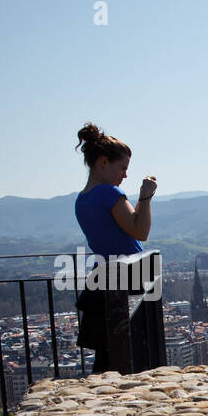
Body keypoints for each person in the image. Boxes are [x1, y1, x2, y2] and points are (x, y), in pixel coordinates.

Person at [73, 123, 157, 374]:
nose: (125, 175)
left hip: (103, 277)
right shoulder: (109, 193)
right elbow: (140, 231)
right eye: (122, 168)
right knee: (132, 348)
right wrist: (145, 197)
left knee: (108, 352)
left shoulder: (82, 199)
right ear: (103, 163)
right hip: (125, 276)